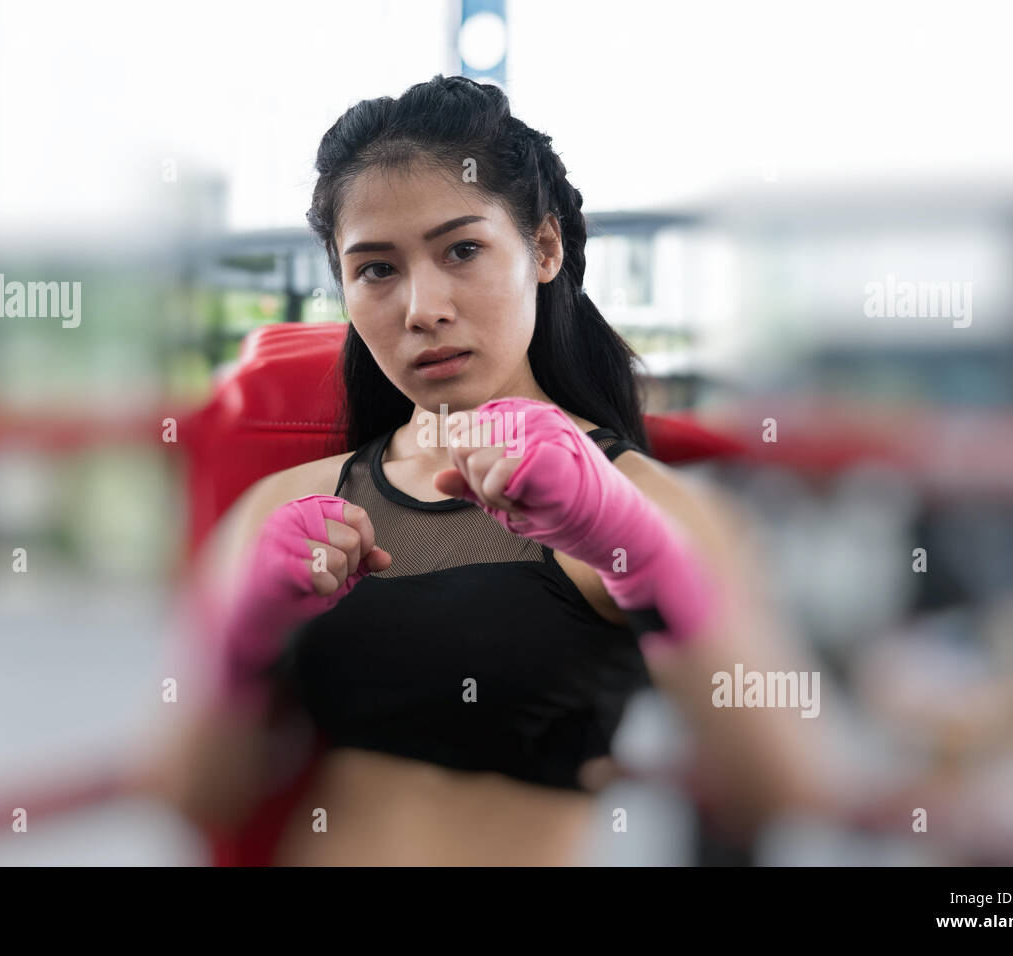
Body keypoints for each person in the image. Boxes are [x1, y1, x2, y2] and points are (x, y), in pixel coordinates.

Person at [151, 75, 835, 865]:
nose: (422, 306)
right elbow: (188, 794)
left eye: (463, 249)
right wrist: (243, 635)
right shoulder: (293, 500)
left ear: (544, 249)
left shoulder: (642, 501)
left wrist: (643, 555)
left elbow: (783, 789)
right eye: (377, 269)